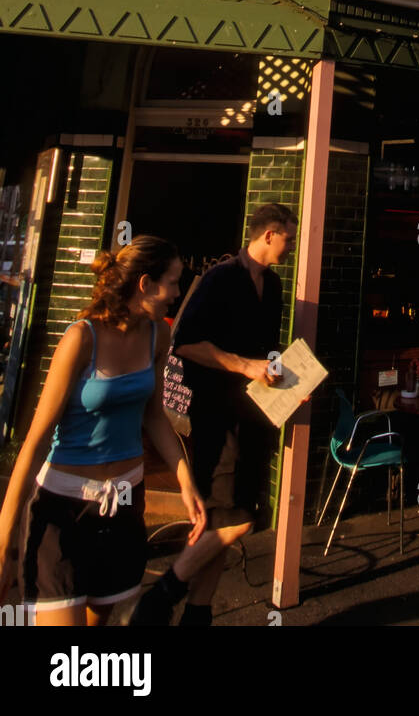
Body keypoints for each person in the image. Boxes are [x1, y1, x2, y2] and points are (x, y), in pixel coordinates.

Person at [0, 235, 206, 626]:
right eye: (174, 282)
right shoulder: (81, 339)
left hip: (124, 505)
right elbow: (37, 440)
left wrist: (185, 480)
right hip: (63, 508)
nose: (178, 293)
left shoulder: (157, 336)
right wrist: (5, 537)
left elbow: (155, 416)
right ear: (145, 284)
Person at [130, 202, 298, 627]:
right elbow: (184, 343)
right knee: (239, 518)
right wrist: (243, 365)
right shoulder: (220, 279)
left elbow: (266, 349)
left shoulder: (275, 288)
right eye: (288, 238)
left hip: (255, 414)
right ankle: (163, 593)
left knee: (221, 518)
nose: (291, 246)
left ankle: (198, 614)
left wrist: (280, 374)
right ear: (268, 235)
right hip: (217, 419)